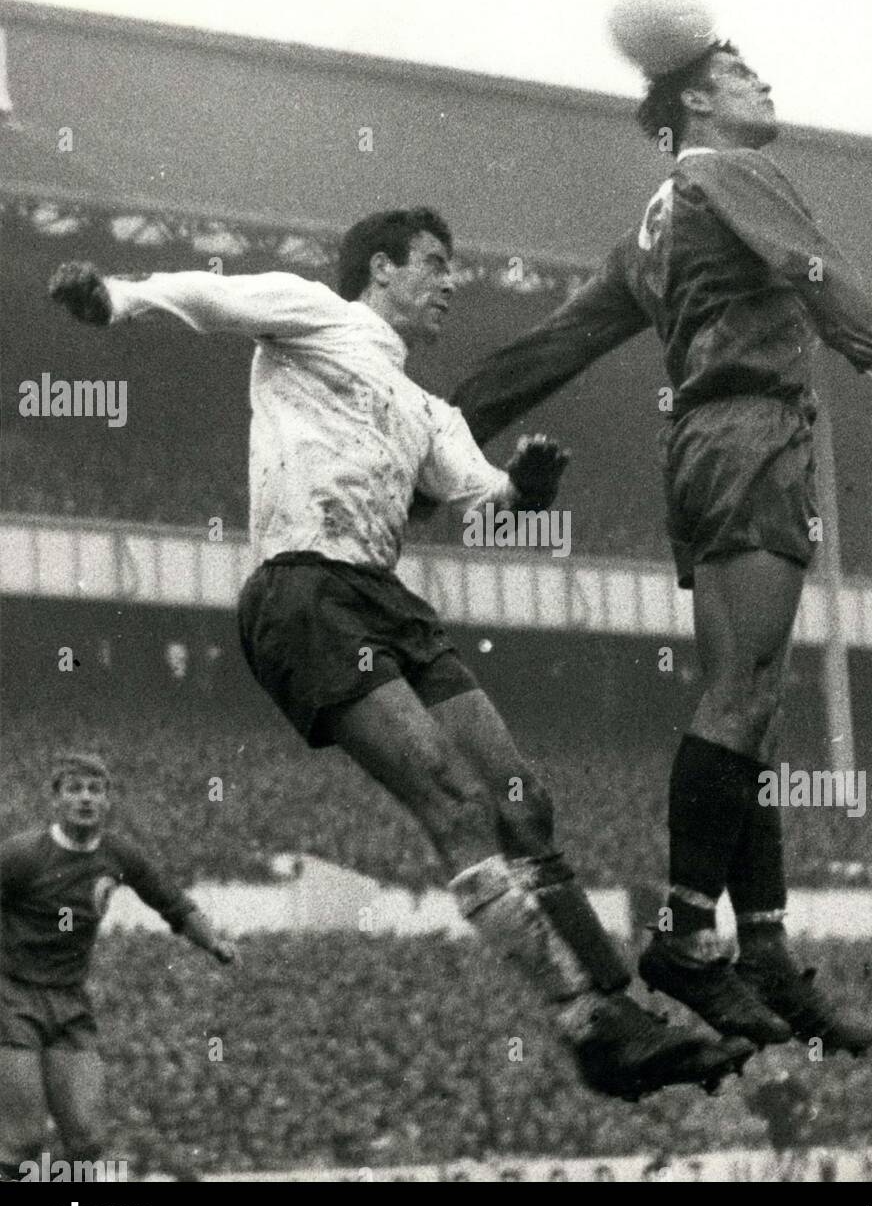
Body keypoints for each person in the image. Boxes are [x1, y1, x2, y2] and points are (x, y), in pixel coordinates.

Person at [48, 208, 751, 1102]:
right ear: (380, 269)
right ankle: (587, 1023)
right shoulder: (314, 312)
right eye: (434, 264)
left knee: (520, 803)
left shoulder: (426, 409)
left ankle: (619, 1012)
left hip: (385, 598)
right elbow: (207, 295)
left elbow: (482, 491)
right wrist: (114, 296)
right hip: (304, 591)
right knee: (457, 805)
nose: (452, 282)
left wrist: (526, 490)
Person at [447, 44, 872, 1055]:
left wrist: (447, 432)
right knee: (738, 696)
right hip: (755, 437)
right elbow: (816, 268)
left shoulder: (652, 226)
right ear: (698, 102)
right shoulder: (728, 171)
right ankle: (685, 934)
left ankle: (759, 946)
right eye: (743, 74)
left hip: (701, 447)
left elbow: (560, 342)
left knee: (751, 708)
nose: (765, 84)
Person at [0, 751, 236, 1183]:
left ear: (108, 800)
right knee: (22, 1141)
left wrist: (213, 942)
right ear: (56, 799)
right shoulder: (22, 856)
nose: (85, 799)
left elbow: (171, 902)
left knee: (88, 1140)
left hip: (71, 1000)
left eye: (95, 790)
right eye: (74, 789)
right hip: (13, 997)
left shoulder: (118, 854)